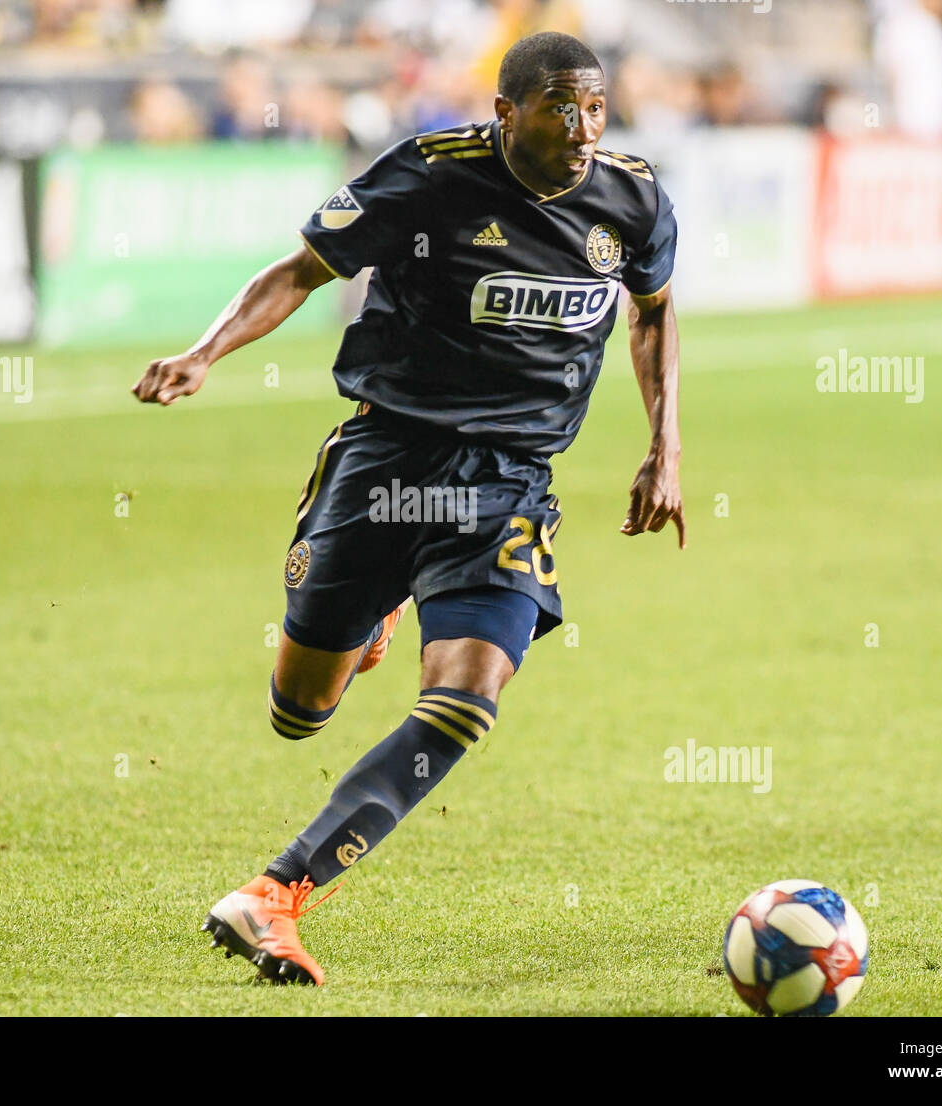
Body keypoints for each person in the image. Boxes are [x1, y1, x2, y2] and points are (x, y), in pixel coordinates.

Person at [132, 31, 684, 986]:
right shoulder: (429, 175)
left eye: (595, 107)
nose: (583, 128)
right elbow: (299, 270)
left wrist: (663, 444)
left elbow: (655, 312)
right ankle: (373, 603)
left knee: (468, 698)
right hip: (387, 456)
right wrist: (204, 352)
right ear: (507, 112)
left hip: (507, 483)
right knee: (298, 712)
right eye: (560, 107)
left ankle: (275, 895)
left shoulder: (631, 199)